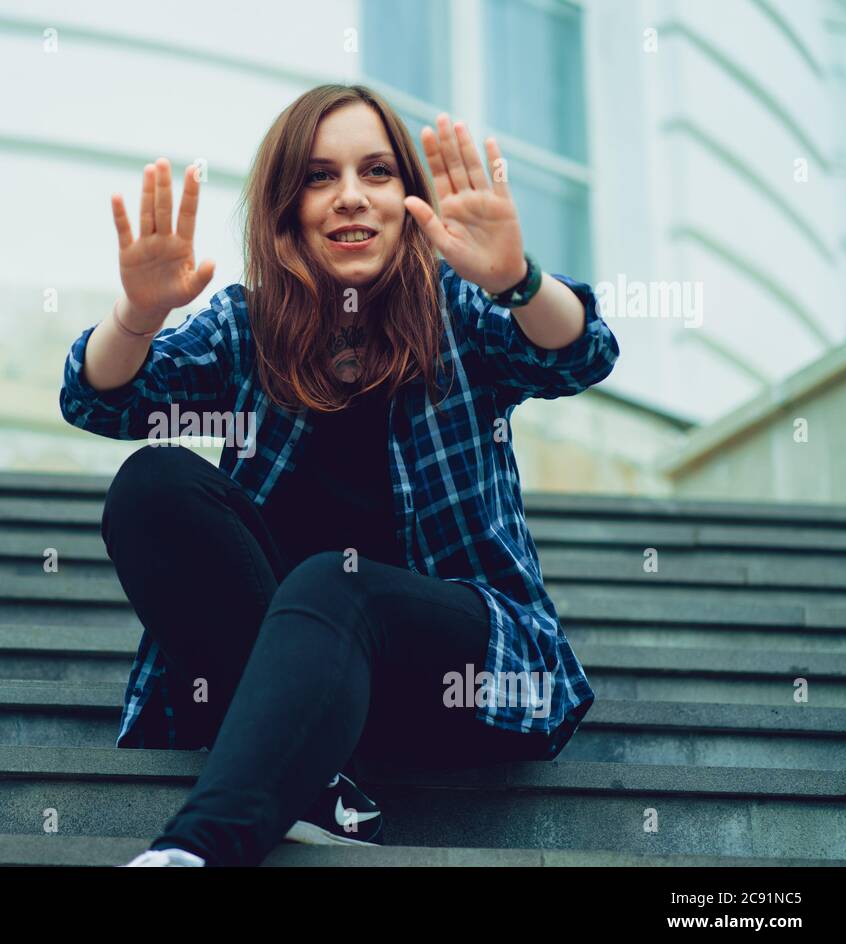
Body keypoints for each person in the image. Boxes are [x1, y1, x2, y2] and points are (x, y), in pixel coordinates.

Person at [58, 84, 620, 867]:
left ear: (408, 197)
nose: (351, 198)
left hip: (464, 675)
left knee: (336, 581)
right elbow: (101, 401)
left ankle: (192, 854)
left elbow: (581, 353)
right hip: (289, 677)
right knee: (152, 483)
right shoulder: (248, 328)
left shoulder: (459, 311)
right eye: (321, 177)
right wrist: (138, 315)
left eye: (378, 171)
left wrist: (516, 280)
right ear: (288, 208)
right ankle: (321, 783)